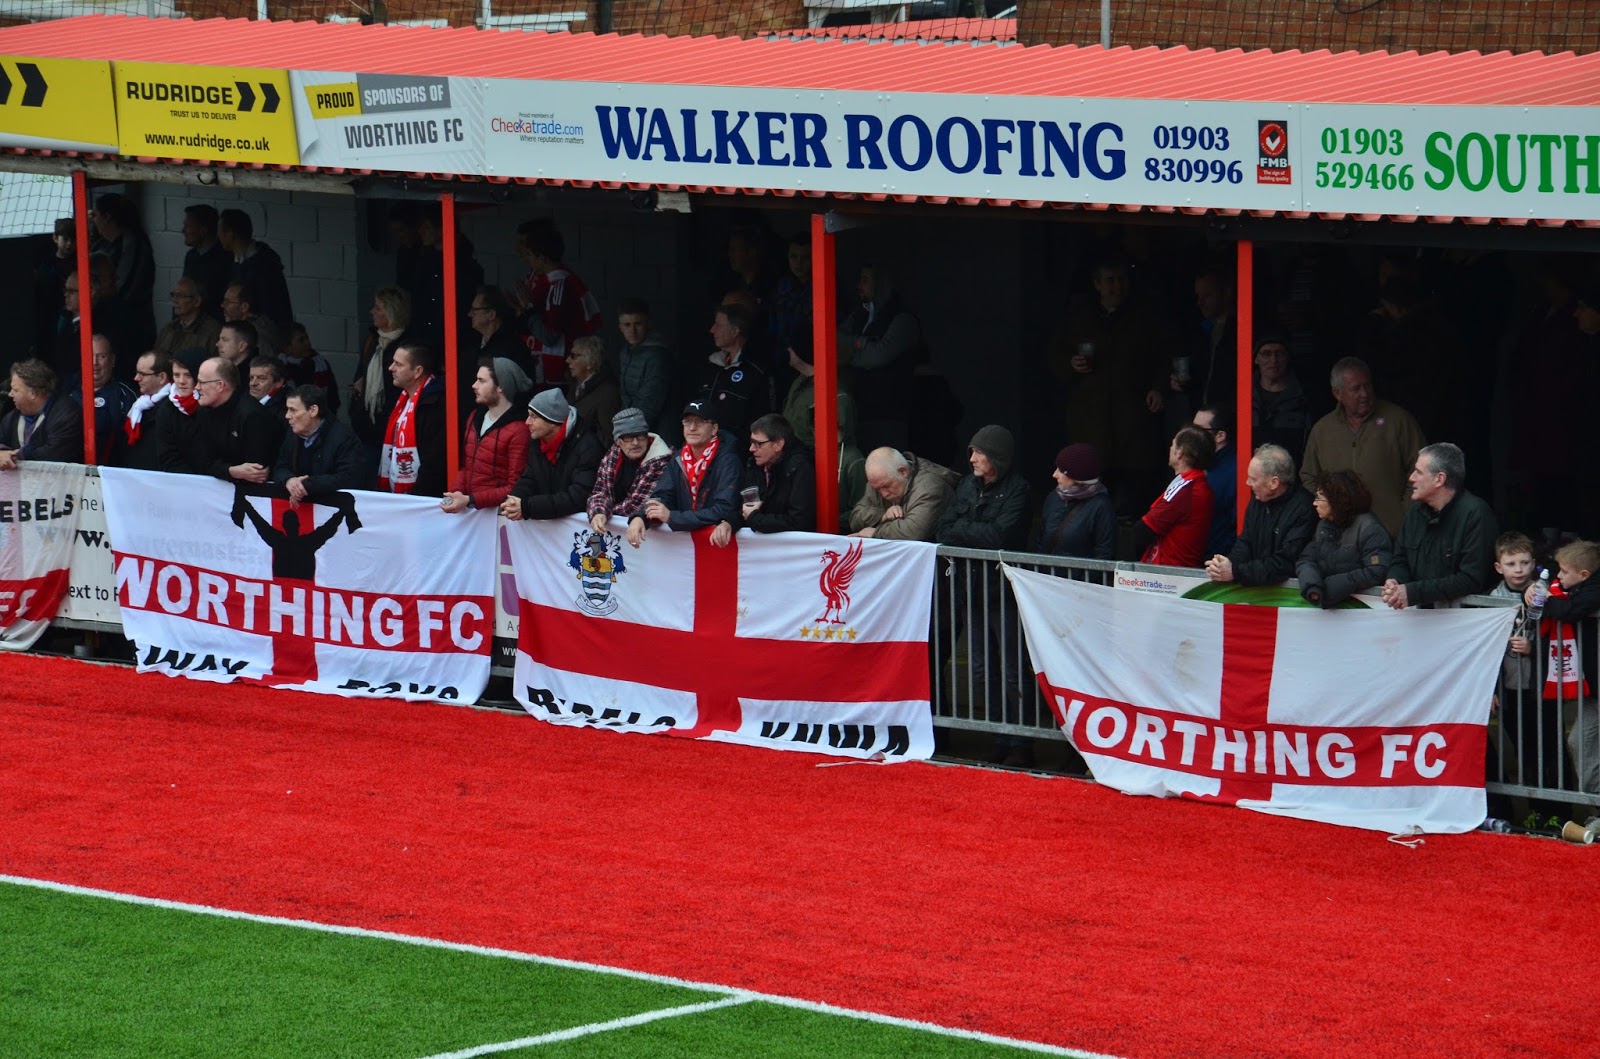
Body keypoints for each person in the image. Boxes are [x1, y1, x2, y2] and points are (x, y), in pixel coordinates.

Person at [1051, 254, 1170, 515]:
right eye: (1110, 280)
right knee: (1090, 501)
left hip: (1134, 421)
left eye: (1122, 279)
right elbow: (1055, 356)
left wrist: (1159, 387)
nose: (1117, 286)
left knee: (1136, 499)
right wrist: (1071, 364)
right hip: (1090, 421)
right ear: (1097, 284)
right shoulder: (1079, 315)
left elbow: (1165, 356)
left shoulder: (1145, 314)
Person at [1299, 357, 1426, 537]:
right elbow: (1308, 476)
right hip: (1340, 536)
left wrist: (1403, 515)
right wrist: (1331, 506)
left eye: (1367, 386)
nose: (1364, 394)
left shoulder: (1398, 421)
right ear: (1337, 394)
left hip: (1392, 533)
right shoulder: (1322, 430)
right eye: (1356, 389)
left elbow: (1423, 470)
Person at [1382, 442, 1497, 609]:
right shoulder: (1415, 512)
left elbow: (1470, 579)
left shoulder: (1476, 514)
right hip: (1419, 618)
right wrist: (1395, 580)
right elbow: (1400, 559)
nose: (1411, 478)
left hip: (1464, 619)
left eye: (1418, 472)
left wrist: (1412, 593)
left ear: (1439, 479)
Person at [1527, 540, 1600, 794]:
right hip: (1593, 688)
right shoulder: (1574, 581)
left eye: (1565, 572)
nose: (1558, 576)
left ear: (1584, 575)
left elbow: (1570, 611)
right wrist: (1534, 588)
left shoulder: (1595, 588)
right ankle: (1594, 803)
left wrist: (1546, 599)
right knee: (1579, 741)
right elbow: (1545, 568)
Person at [628, 399, 741, 547]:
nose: (692, 428)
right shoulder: (678, 457)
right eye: (687, 422)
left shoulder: (728, 460)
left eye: (700, 422)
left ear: (714, 429)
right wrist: (641, 517)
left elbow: (725, 509)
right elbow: (663, 495)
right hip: (685, 547)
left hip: (716, 546)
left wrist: (673, 517)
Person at [1205, 443, 1317, 587]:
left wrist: (1236, 572)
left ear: (1274, 483)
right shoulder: (1258, 500)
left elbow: (1285, 563)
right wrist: (1228, 564)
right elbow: (1245, 542)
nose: (1248, 483)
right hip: (1255, 587)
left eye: (1253, 479)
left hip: (1289, 593)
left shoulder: (1304, 509)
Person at [838, 264, 922, 452]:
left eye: (865, 280)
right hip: (861, 410)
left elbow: (878, 356)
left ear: (880, 283)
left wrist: (848, 353)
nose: (859, 286)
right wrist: (863, 343)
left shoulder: (903, 319)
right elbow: (836, 337)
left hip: (889, 413)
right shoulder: (860, 314)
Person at [513, 218, 600, 385]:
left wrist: (528, 309)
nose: (526, 258)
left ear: (541, 257)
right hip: (546, 367)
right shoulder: (551, 281)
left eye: (530, 254)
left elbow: (549, 336)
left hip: (558, 370)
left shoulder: (559, 284)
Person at [441, 358, 532, 515]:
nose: (474, 385)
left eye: (482, 381)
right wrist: (457, 492)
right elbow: (467, 466)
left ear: (501, 386)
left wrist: (470, 500)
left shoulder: (519, 430)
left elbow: (514, 486)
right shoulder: (474, 417)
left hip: (499, 517)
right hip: (470, 510)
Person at [711, 412, 815, 546]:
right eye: (751, 442)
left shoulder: (799, 468)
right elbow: (748, 507)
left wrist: (755, 518)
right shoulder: (755, 465)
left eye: (758, 443)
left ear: (778, 444)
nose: (751, 449)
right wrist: (729, 523)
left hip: (793, 550)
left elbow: (799, 521)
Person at [500, 387, 602, 522]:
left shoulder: (587, 446)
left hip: (578, 529)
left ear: (553, 421)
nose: (527, 422)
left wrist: (527, 507)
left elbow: (578, 498)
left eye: (534, 417)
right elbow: (529, 479)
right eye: (528, 415)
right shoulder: (537, 441)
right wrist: (514, 499)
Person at [1295, 469, 1393, 607]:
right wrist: (1313, 586)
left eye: (1319, 497)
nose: (1314, 503)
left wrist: (1334, 586)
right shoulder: (1323, 525)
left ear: (1336, 500)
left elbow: (1377, 571)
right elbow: (1306, 559)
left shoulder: (1370, 529)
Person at [936, 425, 1030, 550]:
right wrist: (978, 535)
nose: (972, 459)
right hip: (964, 562)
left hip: (997, 563)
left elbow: (998, 538)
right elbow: (942, 531)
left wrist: (960, 526)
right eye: (972, 451)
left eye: (979, 452)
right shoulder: (966, 484)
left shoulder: (1018, 489)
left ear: (997, 457)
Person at [1133, 425, 1215, 568]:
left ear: (1179, 453)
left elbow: (1143, 530)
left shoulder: (1187, 488)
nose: (1170, 448)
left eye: (1173, 444)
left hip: (1169, 573)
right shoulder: (1197, 484)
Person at [192, 356, 283, 483]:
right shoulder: (204, 411)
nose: (197, 387)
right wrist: (231, 471)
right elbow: (199, 461)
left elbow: (256, 473)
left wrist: (224, 470)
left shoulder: (252, 416)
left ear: (220, 385)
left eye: (202, 382)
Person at [350, 287, 416, 460]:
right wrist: (356, 410)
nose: (372, 311)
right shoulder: (372, 341)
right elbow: (360, 377)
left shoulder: (410, 345)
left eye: (378, 308)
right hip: (367, 427)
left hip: (395, 427)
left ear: (392, 312)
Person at [272, 384, 366, 501]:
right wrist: (289, 480)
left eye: (293, 410)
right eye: (287, 409)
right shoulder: (292, 434)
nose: (287, 416)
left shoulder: (344, 437)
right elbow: (280, 467)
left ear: (313, 410)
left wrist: (307, 485)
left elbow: (349, 477)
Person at [376, 341, 447, 497]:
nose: (391, 368)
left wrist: (416, 496)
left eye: (398, 364)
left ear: (417, 371)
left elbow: (434, 459)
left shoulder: (434, 405)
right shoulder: (401, 400)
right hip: (399, 495)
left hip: (420, 498)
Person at [588, 407, 675, 533]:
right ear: (618, 441)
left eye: (640, 436)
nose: (635, 443)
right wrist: (598, 512)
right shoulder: (614, 453)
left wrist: (607, 512)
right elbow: (600, 491)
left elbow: (636, 506)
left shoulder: (661, 459)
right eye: (628, 438)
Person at [91, 192, 156, 354]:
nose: (93, 220)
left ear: (107, 217)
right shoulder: (100, 245)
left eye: (95, 215)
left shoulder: (133, 245)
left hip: (131, 326)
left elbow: (126, 287)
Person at [848, 446, 957, 542]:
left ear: (903, 472)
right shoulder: (879, 481)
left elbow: (914, 531)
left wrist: (876, 532)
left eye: (887, 486)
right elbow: (855, 519)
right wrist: (882, 515)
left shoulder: (930, 486)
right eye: (877, 489)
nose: (884, 494)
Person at [700, 302, 772, 441]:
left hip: (739, 449)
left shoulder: (756, 371)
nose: (712, 330)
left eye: (718, 325)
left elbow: (763, 420)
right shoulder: (712, 366)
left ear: (735, 331)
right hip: (706, 447)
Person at [1036, 442, 1116, 559]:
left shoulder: (1101, 506)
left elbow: (1104, 553)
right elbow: (1041, 540)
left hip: (1078, 572)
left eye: (1061, 471)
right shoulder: (1054, 497)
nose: (1054, 474)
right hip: (1046, 570)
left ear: (1077, 476)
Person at [218, 208, 293, 328]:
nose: (218, 236)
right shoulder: (235, 262)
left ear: (230, 234)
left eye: (220, 231)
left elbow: (271, 309)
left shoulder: (265, 266)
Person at [0, 359, 82, 468]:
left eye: (15, 390)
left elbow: (54, 453)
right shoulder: (11, 418)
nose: (10, 394)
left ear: (33, 393)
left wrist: (16, 455)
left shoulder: (66, 414)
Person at [68, 334, 137, 462]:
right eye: (89, 355)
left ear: (112, 360)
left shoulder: (125, 394)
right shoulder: (67, 391)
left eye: (102, 356)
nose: (95, 363)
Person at [615, 297, 672, 436]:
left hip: (655, 432)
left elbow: (650, 403)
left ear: (648, 324)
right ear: (620, 327)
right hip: (633, 427)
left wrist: (628, 431)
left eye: (638, 324)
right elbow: (625, 397)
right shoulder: (626, 352)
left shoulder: (658, 356)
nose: (632, 330)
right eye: (627, 325)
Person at [1251, 332, 1310, 465]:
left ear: (1287, 357)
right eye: (1266, 354)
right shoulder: (1242, 395)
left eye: (1279, 353)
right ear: (1256, 359)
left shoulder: (1304, 398)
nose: (1274, 360)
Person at [1193, 403, 1236, 557]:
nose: (1191, 436)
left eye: (1198, 430)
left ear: (1220, 436)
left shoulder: (1235, 472)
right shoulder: (1199, 463)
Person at [117, 350, 172, 471]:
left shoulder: (173, 409)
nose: (136, 378)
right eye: (137, 373)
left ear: (162, 377)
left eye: (143, 374)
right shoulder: (139, 405)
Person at [566, 335, 621, 449]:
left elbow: (608, 438)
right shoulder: (574, 385)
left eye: (574, 356)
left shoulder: (607, 392)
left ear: (590, 362)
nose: (568, 360)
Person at [182, 204, 233, 323]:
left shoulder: (226, 258)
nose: (183, 230)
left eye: (188, 226)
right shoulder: (191, 256)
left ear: (203, 230)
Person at [155, 349, 204, 473]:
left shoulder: (211, 404)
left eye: (188, 375)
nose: (181, 381)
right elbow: (167, 455)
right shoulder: (166, 409)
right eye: (176, 375)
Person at [153, 276, 222, 364]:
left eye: (180, 296)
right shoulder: (169, 327)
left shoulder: (212, 331)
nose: (174, 300)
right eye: (173, 295)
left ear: (197, 301)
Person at [277, 322, 340, 417]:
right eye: (301, 340)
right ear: (288, 348)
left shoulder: (319, 364)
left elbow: (333, 397)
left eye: (307, 338)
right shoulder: (278, 368)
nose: (307, 343)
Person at [467, 285, 533, 376]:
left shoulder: (512, 351)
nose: (469, 314)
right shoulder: (474, 347)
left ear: (491, 314)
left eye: (475, 310)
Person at [221, 282, 282, 359]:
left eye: (227, 302)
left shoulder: (258, 337)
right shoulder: (254, 327)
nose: (222, 305)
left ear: (244, 307)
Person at [248, 356, 289, 421]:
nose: (253, 383)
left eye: (262, 378)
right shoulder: (244, 401)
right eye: (251, 378)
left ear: (279, 382)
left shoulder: (286, 409)